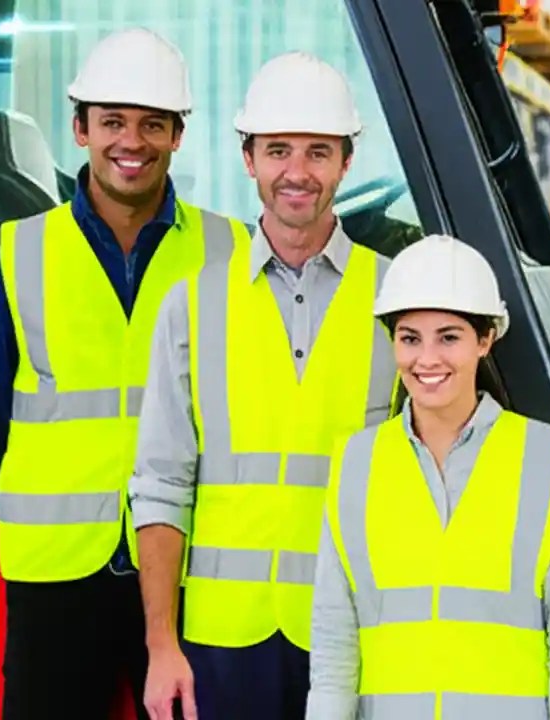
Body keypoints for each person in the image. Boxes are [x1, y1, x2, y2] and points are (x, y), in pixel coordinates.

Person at [0, 27, 244, 720]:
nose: (132, 142)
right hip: (59, 576)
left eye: (153, 124)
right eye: (113, 121)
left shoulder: (229, 255)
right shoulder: (17, 261)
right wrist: (64, 507)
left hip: (187, 569)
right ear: (80, 128)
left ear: (178, 135)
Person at [128, 51, 400, 720]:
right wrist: (161, 644)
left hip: (356, 631)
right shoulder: (191, 306)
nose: (297, 172)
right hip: (225, 643)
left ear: (345, 161)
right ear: (249, 159)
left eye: (318, 151)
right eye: (278, 150)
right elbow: (161, 481)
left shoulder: (397, 298)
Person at [304, 233, 550, 720]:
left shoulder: (546, 458)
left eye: (449, 337)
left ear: (485, 339)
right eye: (409, 338)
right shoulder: (356, 464)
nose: (426, 360)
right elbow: (335, 649)